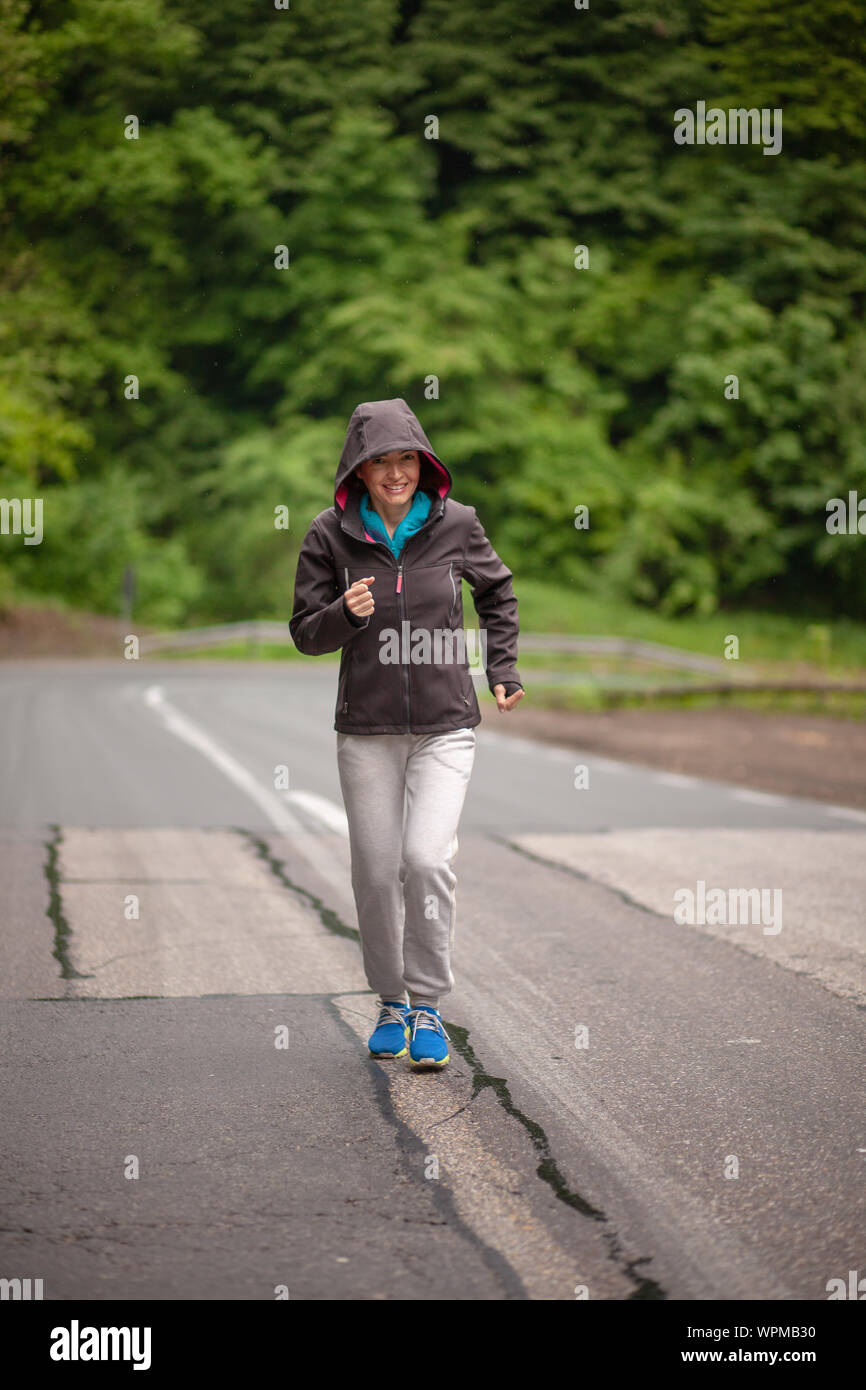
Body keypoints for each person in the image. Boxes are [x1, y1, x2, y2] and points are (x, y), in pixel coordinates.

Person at [289, 398, 524, 1070]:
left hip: (445, 726)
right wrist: (343, 613)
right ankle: (389, 1000)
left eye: (406, 460)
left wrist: (501, 667)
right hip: (366, 730)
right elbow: (305, 633)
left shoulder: (459, 525)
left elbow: (497, 593)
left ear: (425, 465)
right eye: (380, 463)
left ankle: (428, 1007)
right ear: (357, 472)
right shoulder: (327, 536)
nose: (395, 473)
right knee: (373, 872)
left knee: (425, 860)